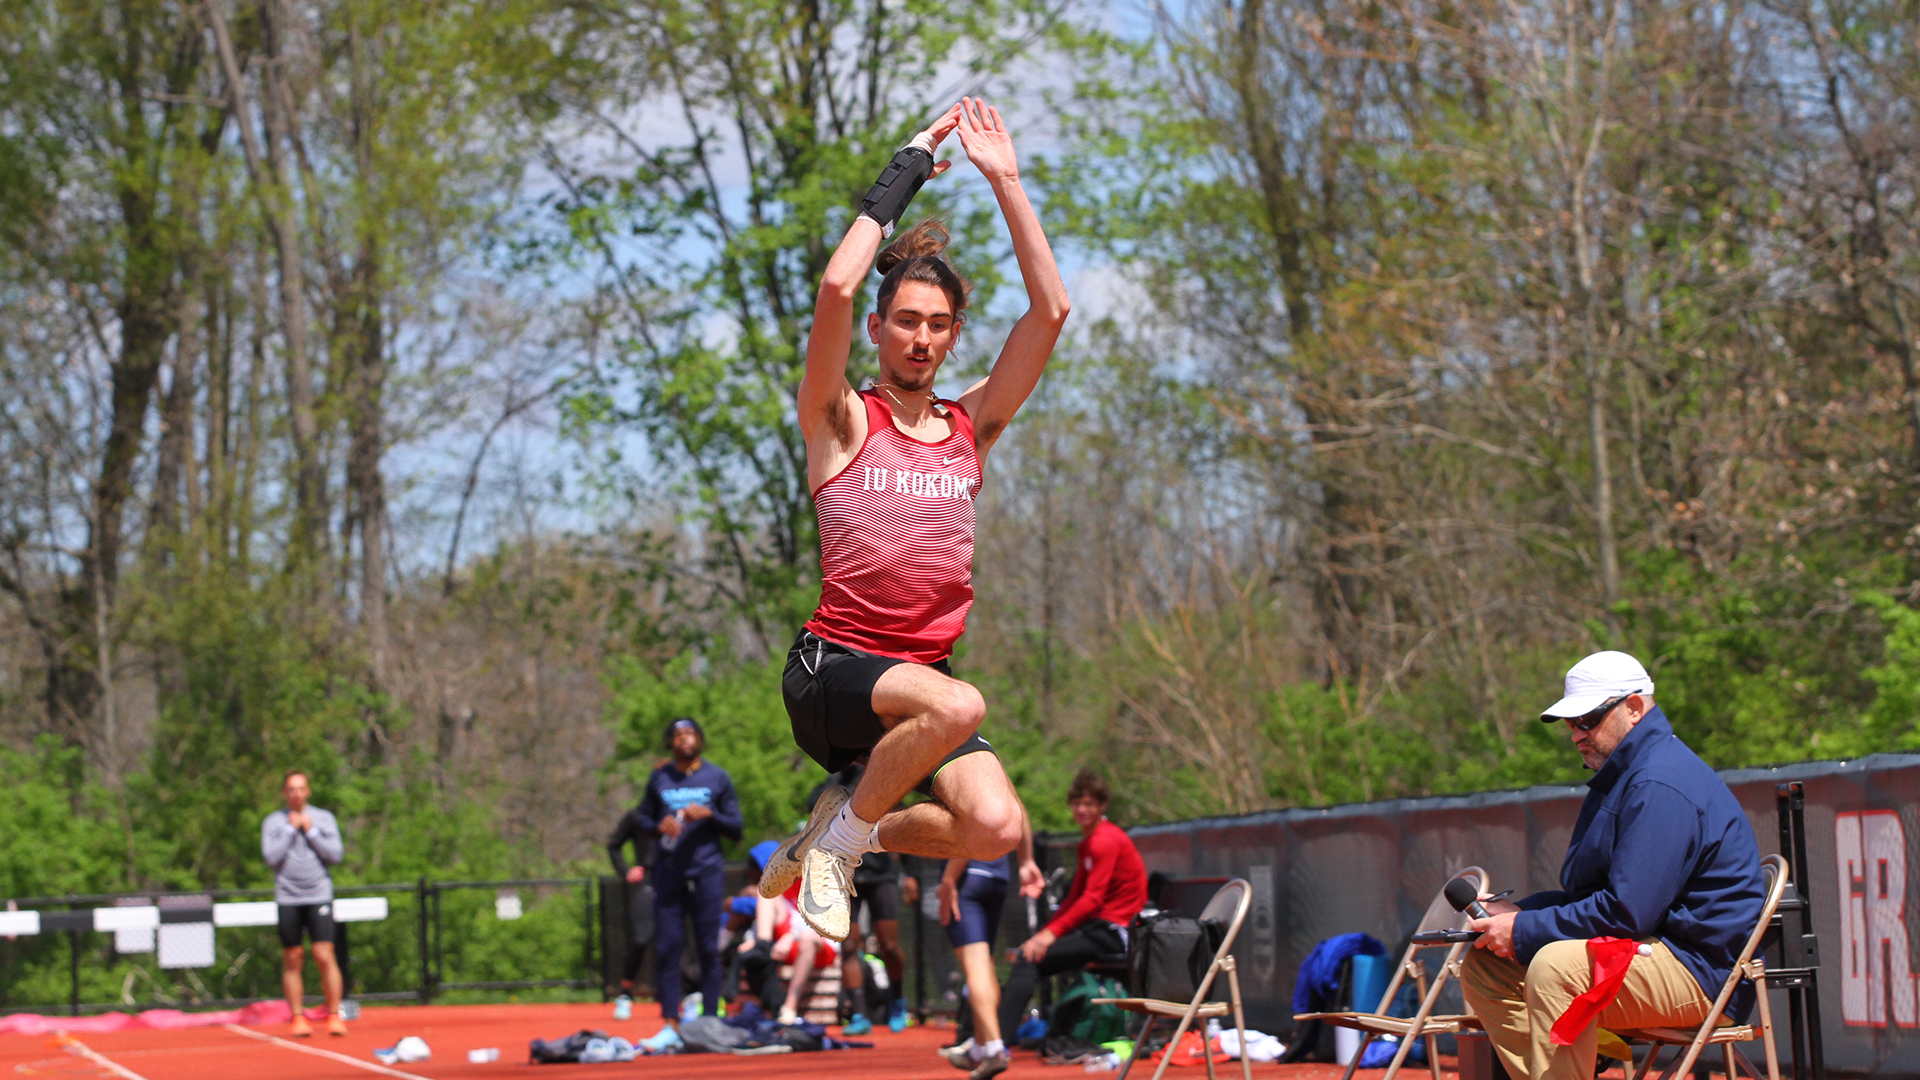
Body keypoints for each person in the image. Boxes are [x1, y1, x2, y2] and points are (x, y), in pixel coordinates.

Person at [765, 96, 1072, 946]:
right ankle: (844, 844)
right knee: (960, 703)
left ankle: (840, 825)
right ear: (877, 328)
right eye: (906, 320)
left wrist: (1004, 179)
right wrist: (906, 166)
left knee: (996, 830)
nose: (922, 337)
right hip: (834, 674)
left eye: (938, 325)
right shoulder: (841, 421)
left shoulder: (972, 428)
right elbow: (835, 282)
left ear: (954, 337)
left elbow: (1049, 313)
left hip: (919, 692)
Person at [1460, 651, 1765, 1080]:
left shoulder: (1659, 781)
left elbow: (1627, 912)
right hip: (1651, 948)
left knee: (1554, 969)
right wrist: (1520, 915)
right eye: (1571, 723)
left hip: (1700, 972)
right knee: (1486, 966)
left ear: (1635, 707)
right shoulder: (1628, 773)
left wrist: (1526, 929)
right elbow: (1592, 899)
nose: (1575, 735)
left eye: (1587, 719)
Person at [995, 771, 1146, 1062]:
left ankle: (998, 1044)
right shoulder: (1088, 843)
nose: (1081, 810)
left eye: (1089, 804)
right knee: (1030, 955)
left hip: (1115, 934)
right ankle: (1031, 1037)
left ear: (1102, 806)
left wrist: (1048, 936)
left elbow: (1092, 899)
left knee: (1030, 960)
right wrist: (1041, 935)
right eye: (1076, 803)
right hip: (1098, 930)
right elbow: (1074, 899)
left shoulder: (1105, 841)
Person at [631, 718, 743, 1053]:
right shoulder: (660, 777)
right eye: (678, 735)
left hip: (707, 871)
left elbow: (736, 826)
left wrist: (710, 814)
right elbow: (641, 820)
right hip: (669, 873)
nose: (684, 740)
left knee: (709, 948)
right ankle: (670, 1023)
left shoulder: (717, 777)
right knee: (667, 948)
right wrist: (658, 824)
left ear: (700, 740)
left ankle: (709, 1020)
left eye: (690, 733)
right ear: (670, 743)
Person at [805, 763, 917, 1034]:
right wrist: (836, 780)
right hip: (845, 873)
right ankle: (858, 1013)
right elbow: (812, 806)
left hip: (881, 875)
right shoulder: (834, 782)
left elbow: (906, 824)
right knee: (849, 946)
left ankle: (898, 1000)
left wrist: (911, 874)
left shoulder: (883, 776)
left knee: (889, 945)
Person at [936, 810, 1044, 1080]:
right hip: (997, 878)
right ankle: (980, 1047)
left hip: (967, 875)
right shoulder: (996, 773)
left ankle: (994, 1048)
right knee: (984, 966)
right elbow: (1019, 811)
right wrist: (1026, 859)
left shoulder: (957, 769)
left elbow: (969, 821)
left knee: (975, 967)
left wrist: (949, 879)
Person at [261, 769, 347, 1037]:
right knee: (293, 957)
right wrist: (290, 829)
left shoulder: (323, 818)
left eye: (301, 788)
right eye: (291, 789)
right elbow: (270, 857)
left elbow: (336, 854)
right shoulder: (273, 822)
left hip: (318, 895)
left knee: (324, 955)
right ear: (285, 793)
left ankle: (334, 1014)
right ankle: (297, 1017)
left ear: (308, 791)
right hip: (288, 897)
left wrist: (310, 832)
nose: (297, 794)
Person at [606, 796, 658, 1020]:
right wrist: (625, 871)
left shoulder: (681, 814)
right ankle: (625, 993)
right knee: (641, 937)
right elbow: (614, 845)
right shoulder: (638, 816)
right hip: (648, 880)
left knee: (681, 938)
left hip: (676, 880)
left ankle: (687, 995)